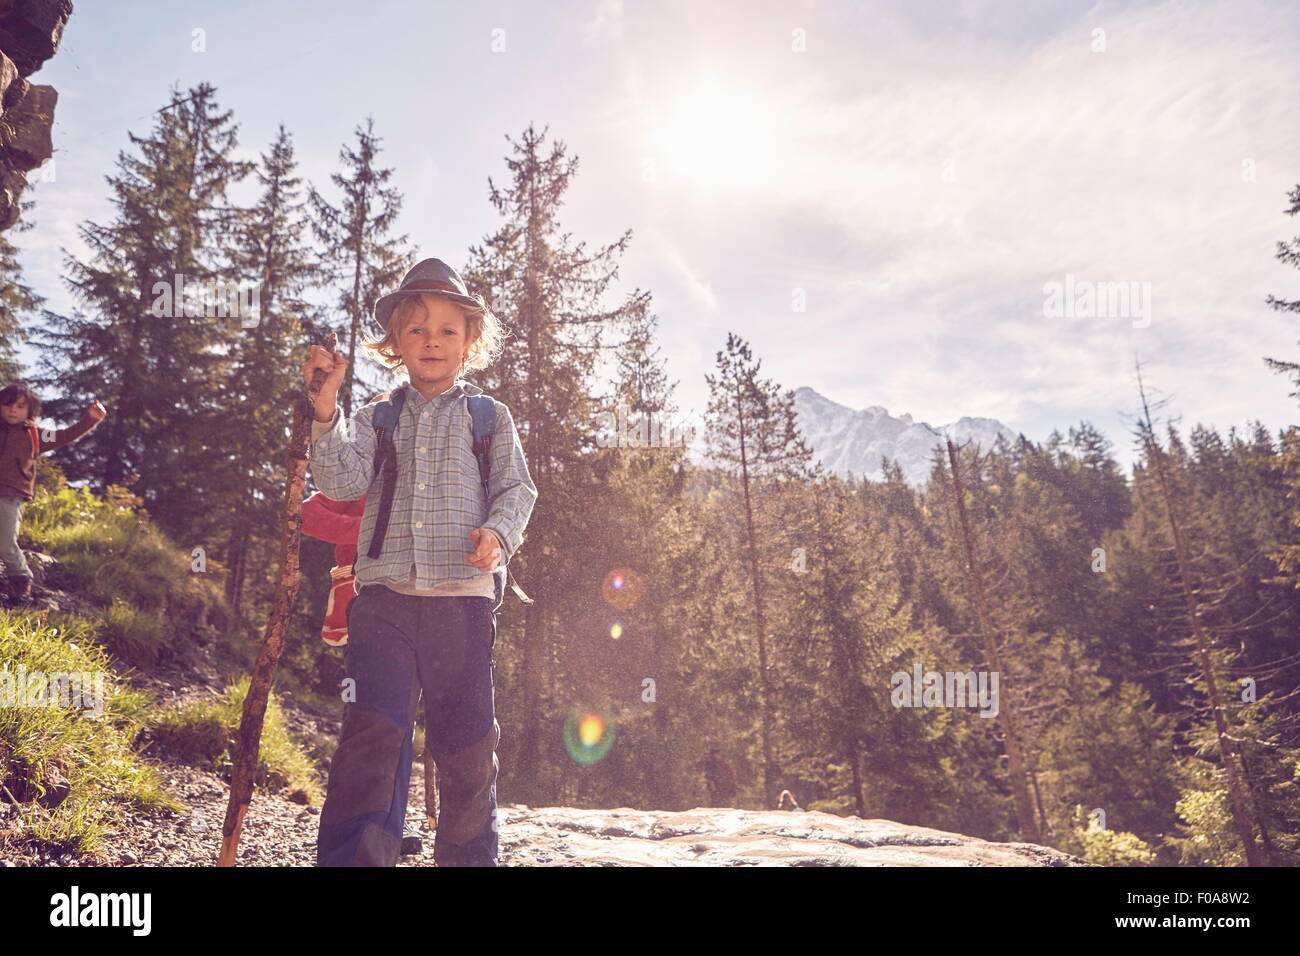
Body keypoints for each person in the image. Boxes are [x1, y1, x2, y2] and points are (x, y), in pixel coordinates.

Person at [305, 257, 537, 867]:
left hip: (463, 604)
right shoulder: (377, 418)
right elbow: (339, 477)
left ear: (469, 342)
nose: (431, 341)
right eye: (416, 330)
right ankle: (355, 859)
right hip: (382, 604)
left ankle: (466, 858)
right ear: (395, 344)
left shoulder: (487, 418)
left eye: (447, 330)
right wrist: (325, 410)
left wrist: (498, 533)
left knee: (465, 747)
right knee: (372, 738)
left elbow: (518, 490)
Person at [300, 479, 439, 835]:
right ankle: (377, 823)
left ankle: (393, 819)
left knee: (406, 717)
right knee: (379, 716)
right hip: (366, 604)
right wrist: (366, 529)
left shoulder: (428, 481)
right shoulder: (358, 480)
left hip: (426, 601)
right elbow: (307, 514)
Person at [0, 383, 106, 605]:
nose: (12, 410)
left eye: (20, 406)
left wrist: (90, 419)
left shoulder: (34, 435)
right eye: (7, 404)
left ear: (30, 411)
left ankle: (21, 580)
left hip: (11, 495)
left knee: (5, 542)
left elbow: (64, 435)